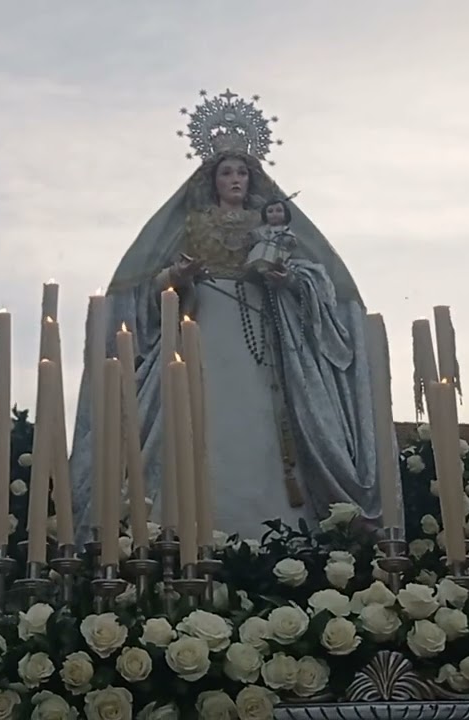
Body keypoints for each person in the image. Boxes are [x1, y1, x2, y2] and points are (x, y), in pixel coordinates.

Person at [69, 95, 394, 543]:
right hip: (201, 326)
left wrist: (286, 279)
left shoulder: (272, 225)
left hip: (264, 330)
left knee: (266, 419)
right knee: (197, 412)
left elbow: (310, 275)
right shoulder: (193, 223)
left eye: (242, 172)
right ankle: (183, 529)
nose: (236, 179)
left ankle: (278, 535)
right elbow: (153, 283)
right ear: (212, 179)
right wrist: (178, 276)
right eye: (227, 172)